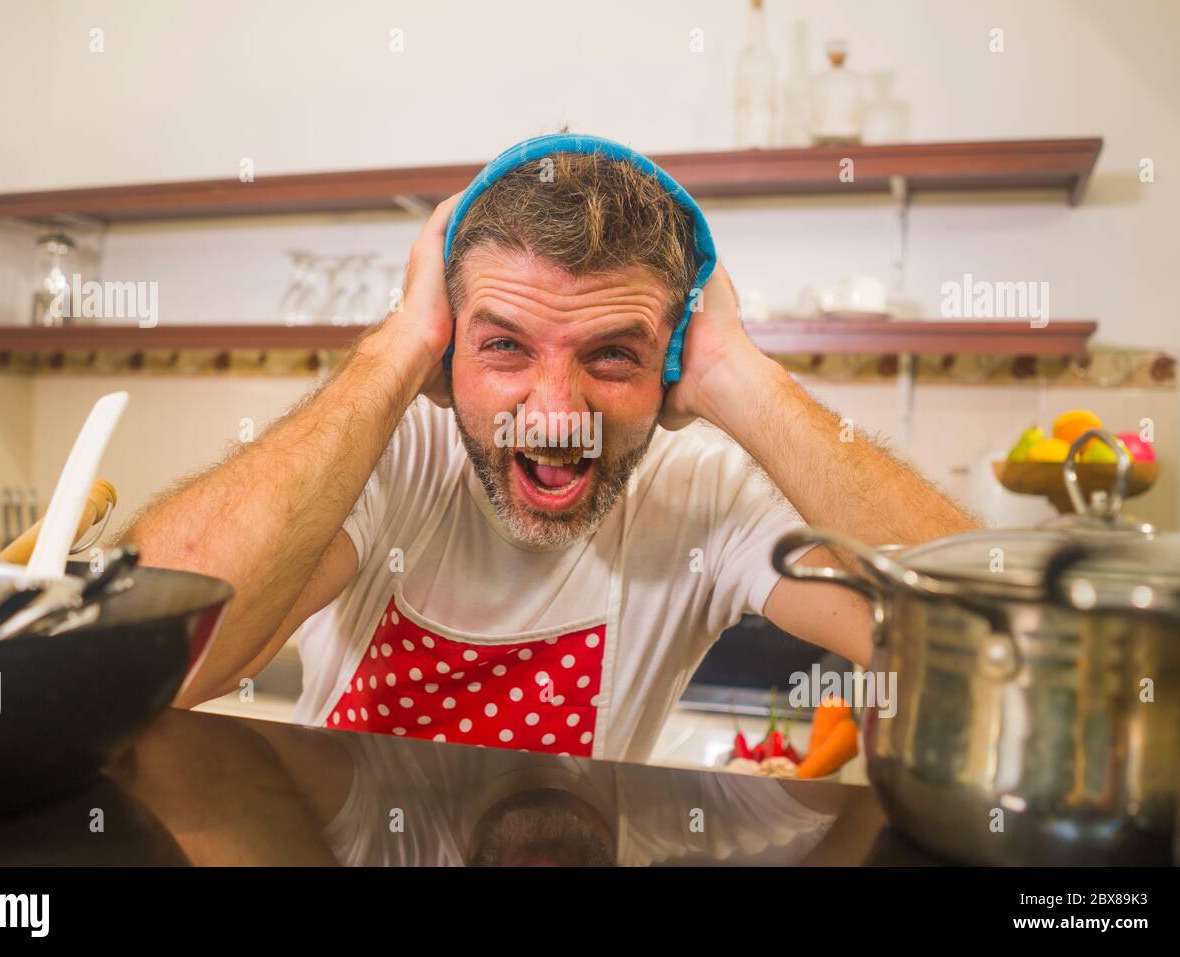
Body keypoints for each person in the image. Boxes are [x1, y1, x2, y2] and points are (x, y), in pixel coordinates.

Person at [125, 136, 975, 763]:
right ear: (448, 352)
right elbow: (149, 659)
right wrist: (395, 350)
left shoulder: (703, 495)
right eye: (504, 347)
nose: (558, 415)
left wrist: (738, 371)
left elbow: (973, 641)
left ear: (670, 367)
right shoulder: (399, 454)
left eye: (613, 354)